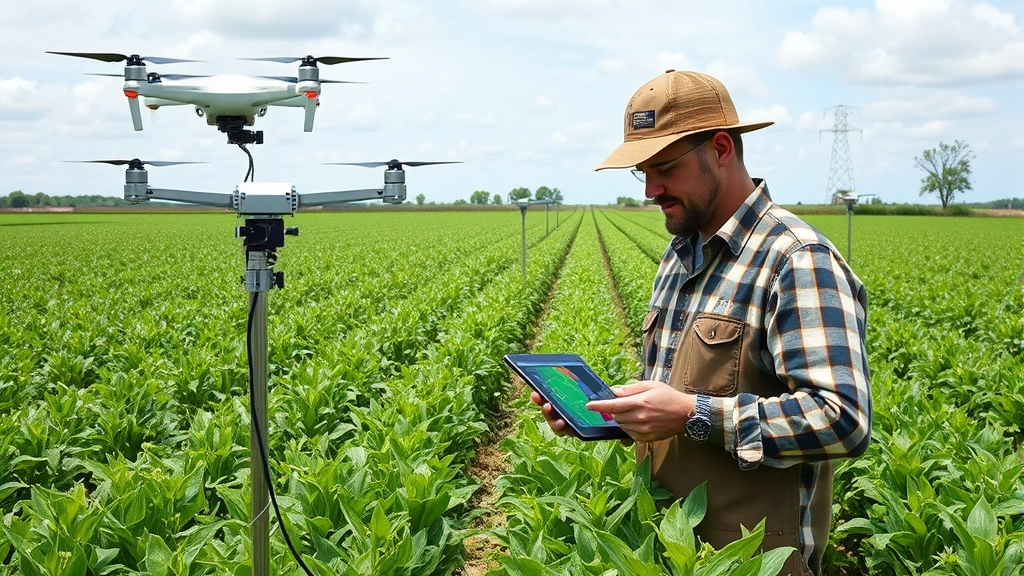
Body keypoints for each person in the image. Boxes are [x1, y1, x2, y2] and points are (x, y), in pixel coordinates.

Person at [532, 70, 871, 576]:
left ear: (720, 148)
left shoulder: (796, 259)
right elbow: (681, 398)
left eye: (665, 166)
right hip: (668, 547)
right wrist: (617, 417)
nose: (651, 189)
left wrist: (693, 413)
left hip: (754, 560)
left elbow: (842, 419)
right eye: (641, 171)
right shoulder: (678, 255)